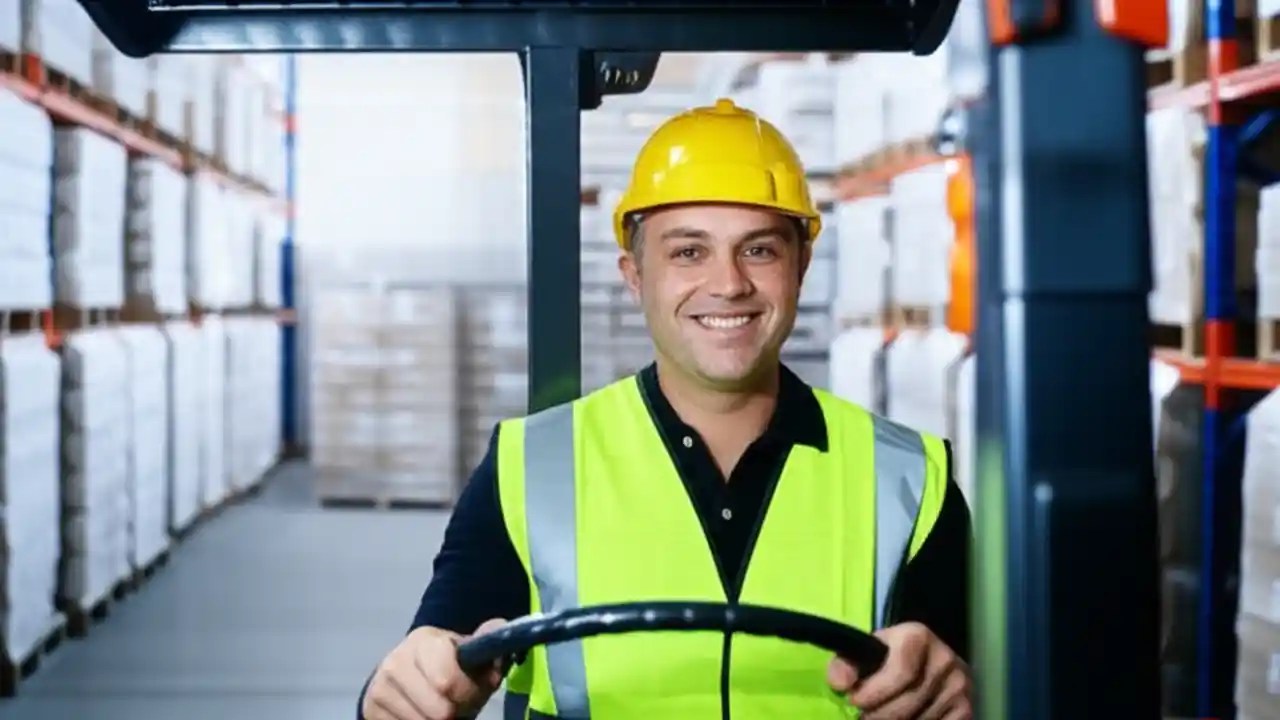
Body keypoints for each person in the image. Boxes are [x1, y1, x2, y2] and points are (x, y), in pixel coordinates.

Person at [358, 98, 974, 720]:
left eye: (759, 250)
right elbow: (429, 667)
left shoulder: (908, 479)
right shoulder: (531, 468)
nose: (728, 283)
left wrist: (961, 688)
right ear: (635, 275)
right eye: (688, 253)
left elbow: (963, 683)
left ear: (801, 267)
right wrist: (404, 686)